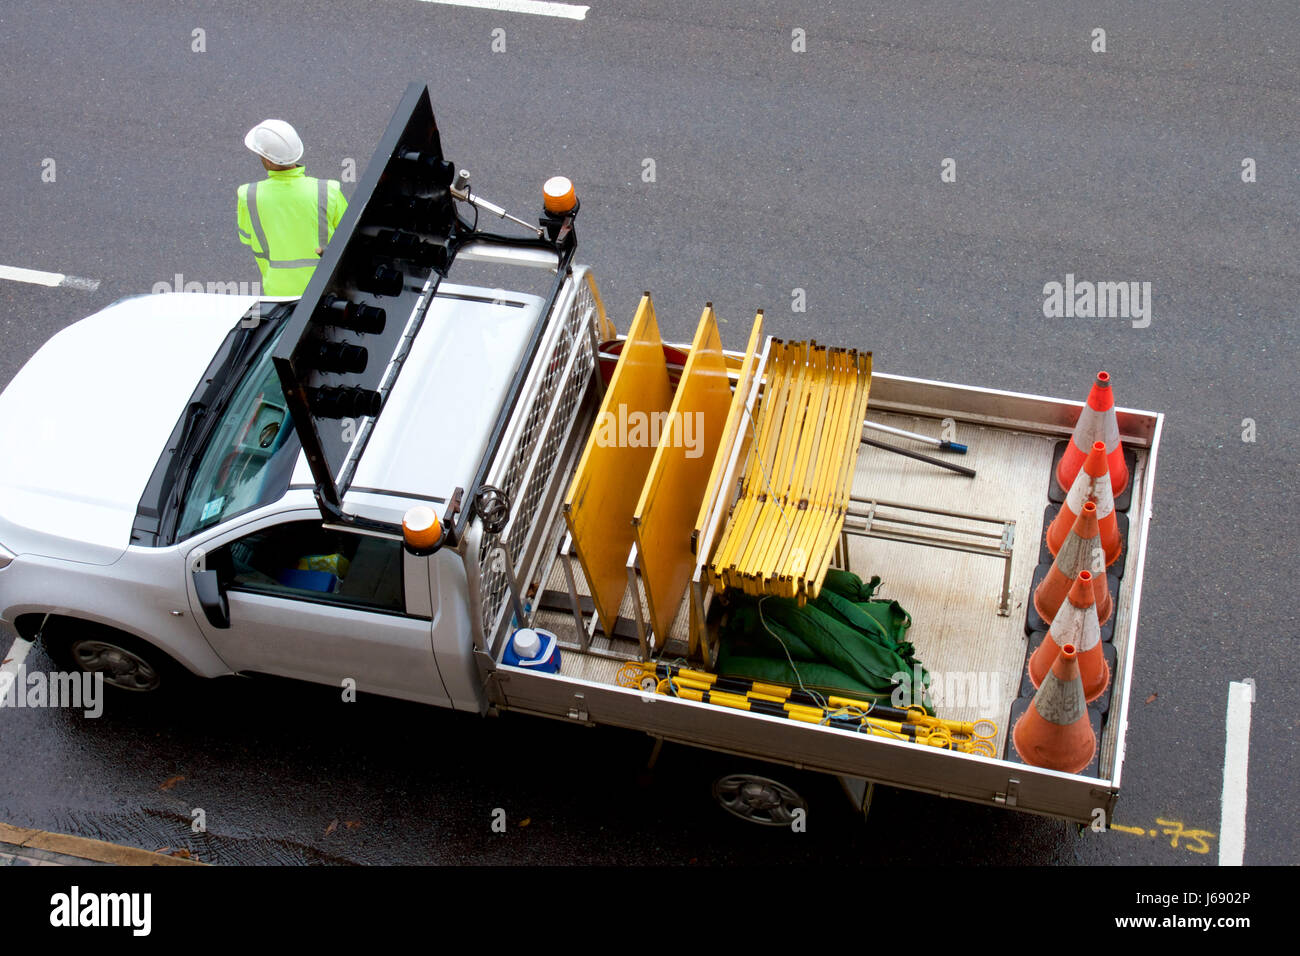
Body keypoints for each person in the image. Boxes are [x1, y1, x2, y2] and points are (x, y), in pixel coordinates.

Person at [237, 119, 347, 297]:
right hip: (326, 286)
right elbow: (349, 237)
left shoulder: (248, 195)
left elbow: (246, 237)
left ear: (270, 161)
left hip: (278, 290)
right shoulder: (328, 190)